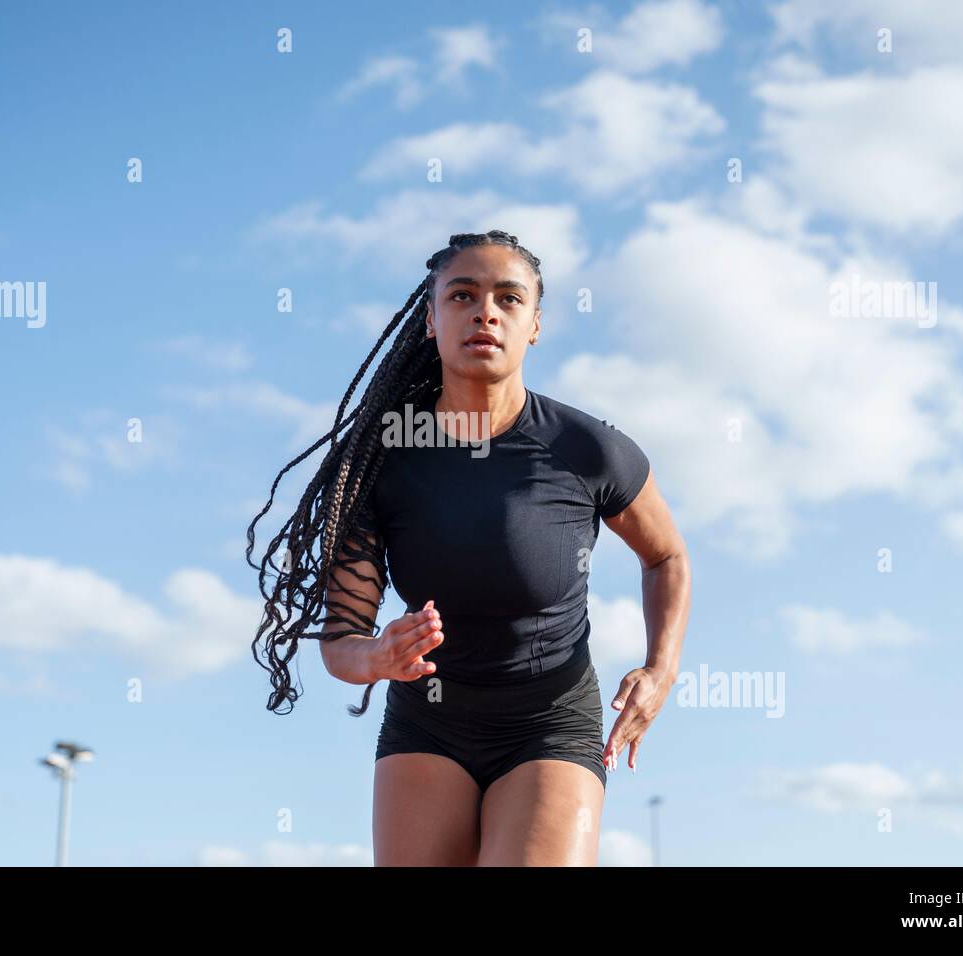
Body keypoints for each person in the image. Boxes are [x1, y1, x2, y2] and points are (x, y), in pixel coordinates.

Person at [248, 230, 691, 866]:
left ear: (534, 324)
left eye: (509, 298)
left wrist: (661, 669)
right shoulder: (379, 460)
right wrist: (377, 656)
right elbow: (341, 643)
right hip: (428, 724)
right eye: (463, 294)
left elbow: (666, 556)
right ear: (431, 319)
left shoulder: (587, 449)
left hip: (550, 720)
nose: (485, 311)